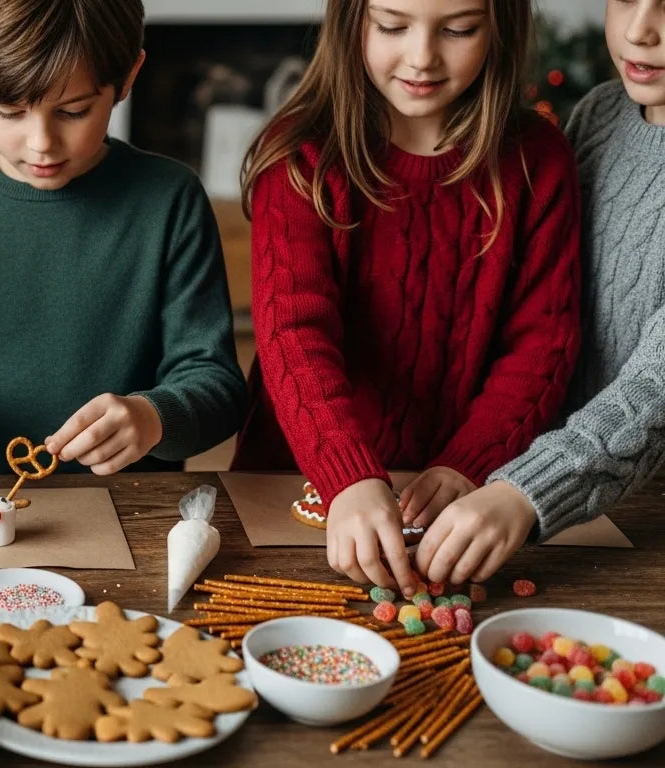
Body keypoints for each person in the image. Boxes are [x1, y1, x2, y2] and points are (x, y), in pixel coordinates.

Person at [235, 0, 581, 593]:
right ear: (354, 21)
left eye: (459, 29)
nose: (422, 57)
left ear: (500, 27)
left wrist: (469, 463)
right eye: (393, 26)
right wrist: (346, 474)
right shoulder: (300, 154)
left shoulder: (538, 159)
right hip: (291, 480)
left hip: (457, 502)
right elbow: (293, 334)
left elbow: (543, 344)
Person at [0, 0, 246, 476]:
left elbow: (217, 385)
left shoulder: (170, 200)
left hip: (131, 502)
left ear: (128, 78)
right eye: (10, 112)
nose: (42, 143)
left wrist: (154, 418)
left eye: (73, 112)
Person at [417, 0, 665, 585]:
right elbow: (543, 314)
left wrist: (527, 490)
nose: (639, 31)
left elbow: (657, 385)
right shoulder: (603, 112)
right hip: (551, 502)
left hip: (634, 516)